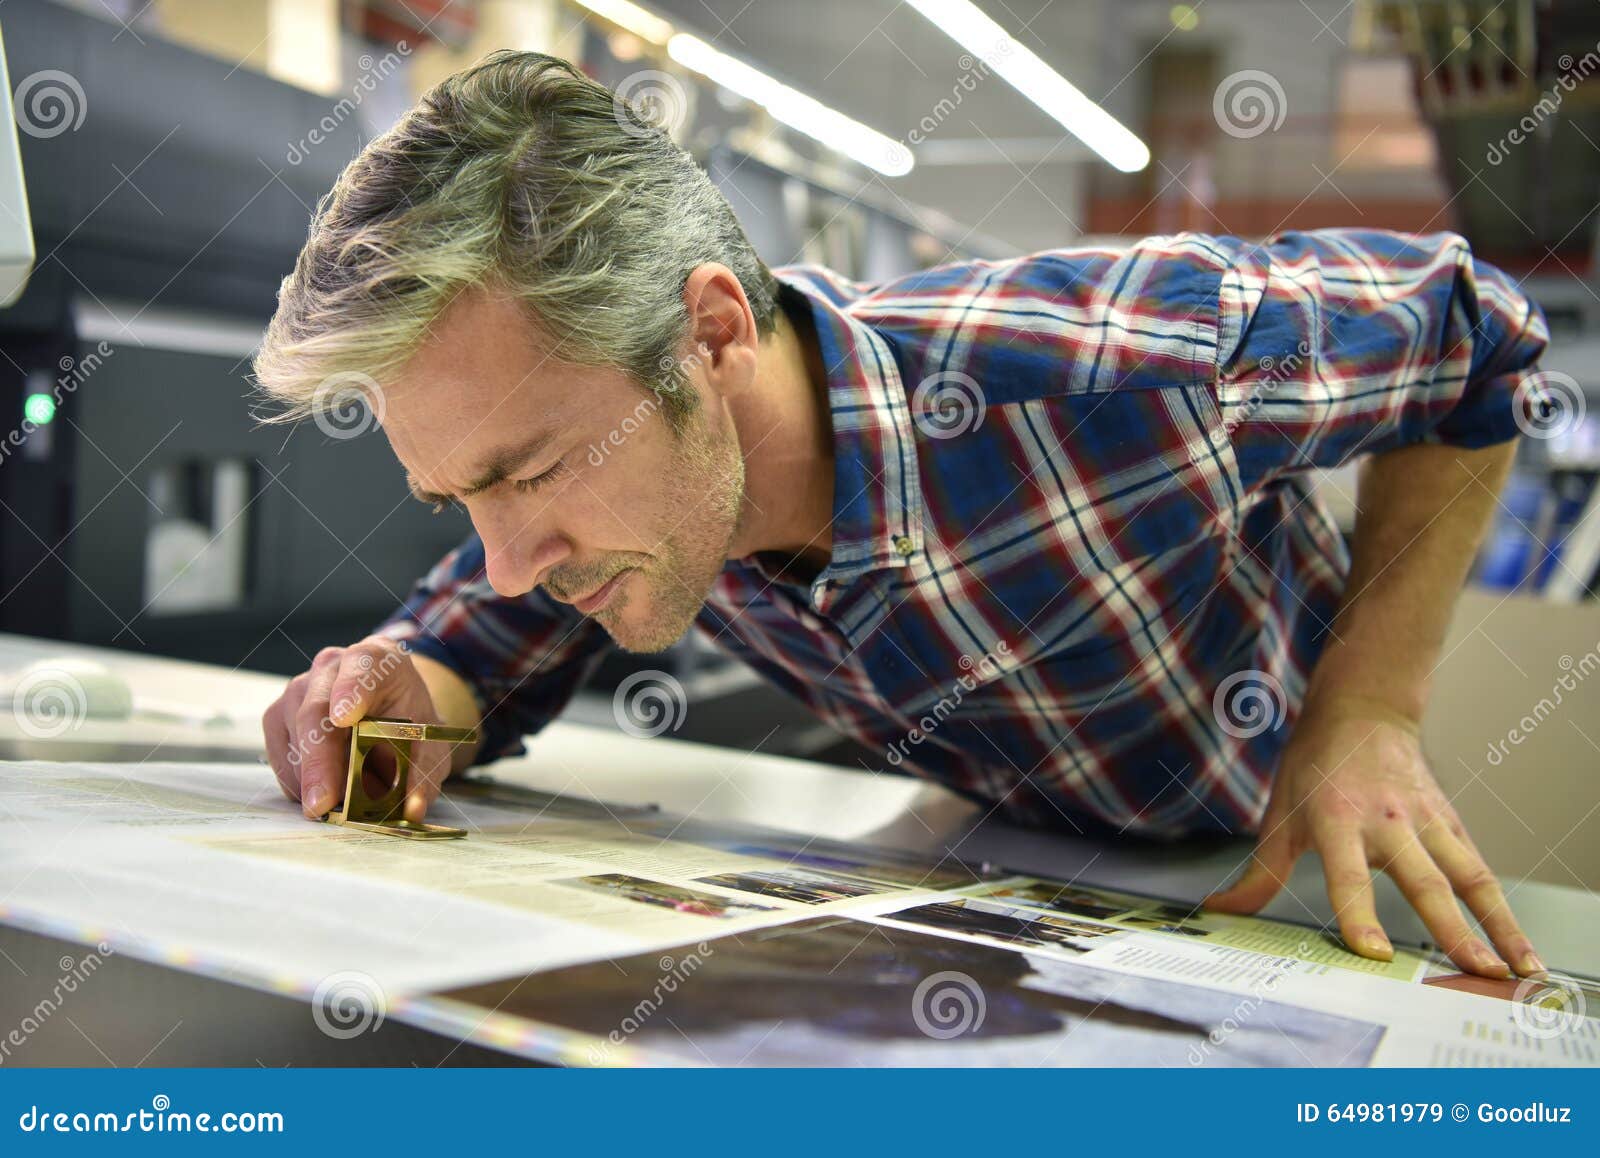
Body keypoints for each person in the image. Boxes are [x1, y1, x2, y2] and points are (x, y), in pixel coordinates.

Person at [255, 51, 1551, 981]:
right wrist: (397, 697)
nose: (506, 555)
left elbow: (1475, 336)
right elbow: (472, 655)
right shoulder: (641, 489)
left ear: (707, 333)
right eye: (460, 491)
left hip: (1307, 866)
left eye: (528, 471)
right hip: (1035, 890)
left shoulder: (1125, 366)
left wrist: (1371, 706)